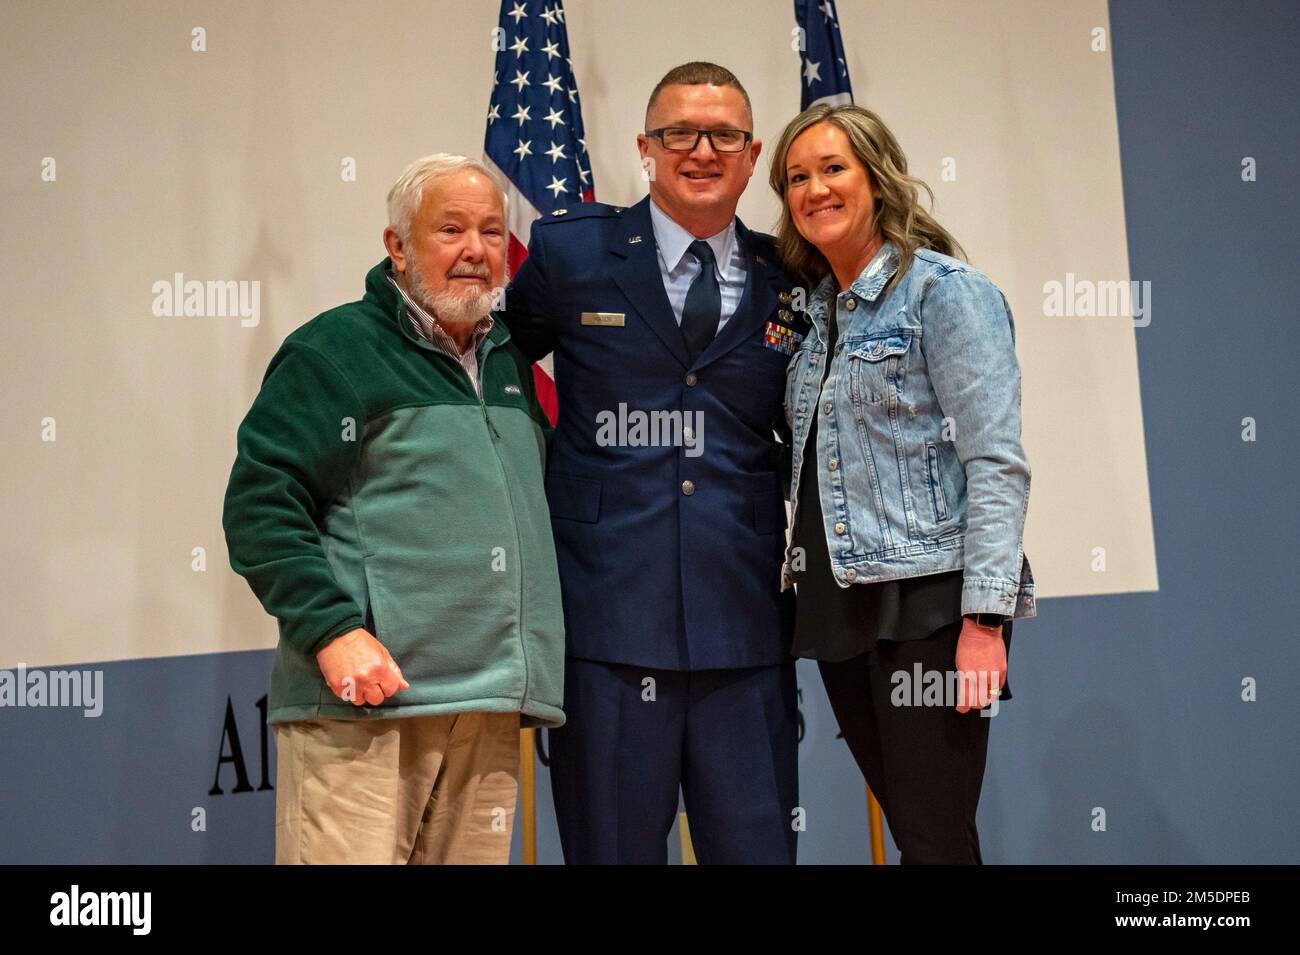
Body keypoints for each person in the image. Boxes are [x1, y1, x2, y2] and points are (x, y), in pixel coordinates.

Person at [221, 154, 564, 864]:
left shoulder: (511, 365)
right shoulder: (334, 350)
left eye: (493, 232)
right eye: (452, 229)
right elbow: (260, 504)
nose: (476, 250)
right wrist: (332, 629)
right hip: (365, 710)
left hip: (489, 706)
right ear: (398, 246)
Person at [501, 62, 803, 864]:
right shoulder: (572, 254)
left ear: (751, 152)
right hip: (607, 632)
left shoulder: (792, 278)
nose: (701, 150)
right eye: (679, 133)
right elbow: (492, 376)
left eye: (724, 135)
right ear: (645, 147)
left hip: (744, 632)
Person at [769, 104, 1037, 864]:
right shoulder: (813, 315)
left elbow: (996, 459)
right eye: (797, 177)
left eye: (833, 169)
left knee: (934, 836)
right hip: (836, 602)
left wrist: (984, 619)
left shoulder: (945, 292)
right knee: (918, 834)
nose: (814, 188)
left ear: (877, 179)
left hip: (928, 604)